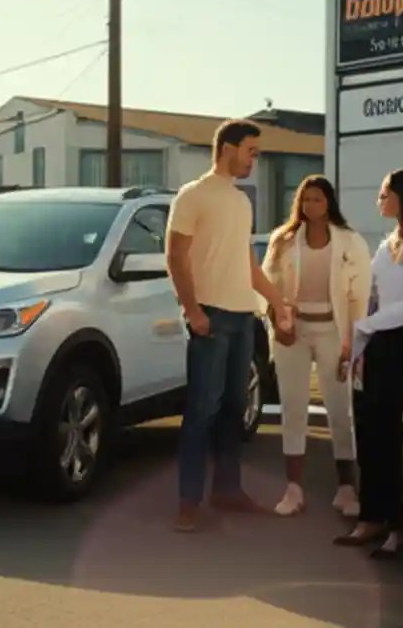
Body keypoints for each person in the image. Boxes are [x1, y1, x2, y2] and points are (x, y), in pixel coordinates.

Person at [165, 118, 294, 533]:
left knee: (234, 409)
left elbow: (247, 264)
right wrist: (192, 311)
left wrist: (276, 299)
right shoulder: (192, 196)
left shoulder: (241, 201)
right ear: (229, 148)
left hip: (243, 318)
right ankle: (188, 502)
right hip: (211, 316)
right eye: (252, 151)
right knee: (201, 409)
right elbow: (175, 257)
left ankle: (228, 490)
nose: (255, 159)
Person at [334, 168, 403, 559]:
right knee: (369, 431)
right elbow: (372, 296)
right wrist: (357, 339)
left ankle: (400, 526)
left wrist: (367, 325)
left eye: (385, 193)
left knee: (398, 437)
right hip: (377, 343)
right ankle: (371, 517)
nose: (379, 200)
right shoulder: (387, 244)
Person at [260, 175, 371, 518]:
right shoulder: (284, 240)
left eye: (318, 199)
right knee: (293, 408)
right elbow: (267, 285)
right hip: (294, 333)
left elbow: (359, 298)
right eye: (305, 199)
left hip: (333, 334)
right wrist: (277, 323)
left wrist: (350, 345)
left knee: (340, 410)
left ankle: (346, 489)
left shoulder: (351, 242)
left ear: (329, 203)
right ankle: (293, 489)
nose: (311, 205)